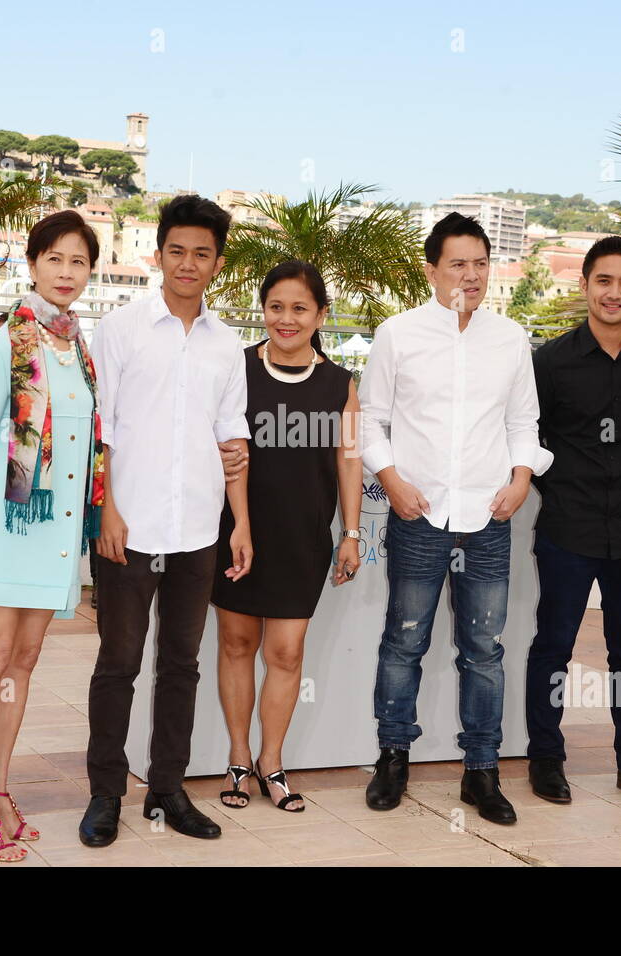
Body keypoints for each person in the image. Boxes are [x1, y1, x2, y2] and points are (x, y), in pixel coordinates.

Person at [358, 213, 552, 825]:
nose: (469, 276)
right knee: (404, 641)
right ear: (432, 271)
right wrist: (391, 480)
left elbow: (525, 422)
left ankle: (482, 771)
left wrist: (522, 478)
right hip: (417, 515)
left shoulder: (510, 338)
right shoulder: (398, 334)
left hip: (489, 517)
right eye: (456, 265)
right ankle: (392, 757)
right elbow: (369, 418)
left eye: (479, 264)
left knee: (485, 649)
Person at [80, 194, 252, 847]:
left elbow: (232, 440)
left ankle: (169, 790)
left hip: (198, 531)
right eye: (176, 250)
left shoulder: (226, 345)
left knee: (181, 663)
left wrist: (240, 524)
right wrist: (109, 511)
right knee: (118, 661)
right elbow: (103, 431)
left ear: (217, 262)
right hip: (130, 527)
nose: (188, 263)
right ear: (159, 254)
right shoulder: (121, 328)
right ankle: (105, 794)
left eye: (201, 254)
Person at [0, 209, 107, 862]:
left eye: (79, 262)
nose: (67, 273)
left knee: (25, 662)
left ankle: (2, 788)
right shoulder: (2, 344)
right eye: (56, 259)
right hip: (8, 528)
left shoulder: (77, 351)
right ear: (32, 264)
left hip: (54, 535)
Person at [525, 236, 621, 811]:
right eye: (604, 281)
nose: (613, 293)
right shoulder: (550, 361)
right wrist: (561, 488)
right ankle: (546, 758)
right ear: (585, 285)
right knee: (553, 648)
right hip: (568, 530)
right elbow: (527, 439)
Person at [211, 260, 362, 813]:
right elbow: (227, 450)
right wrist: (239, 525)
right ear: (263, 310)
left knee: (286, 650)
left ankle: (271, 761)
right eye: (276, 307)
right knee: (236, 645)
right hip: (238, 532)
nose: (286, 319)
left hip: (304, 539)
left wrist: (351, 532)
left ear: (321, 314)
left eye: (300, 308)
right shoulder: (237, 370)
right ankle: (236, 756)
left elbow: (350, 461)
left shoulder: (340, 384)